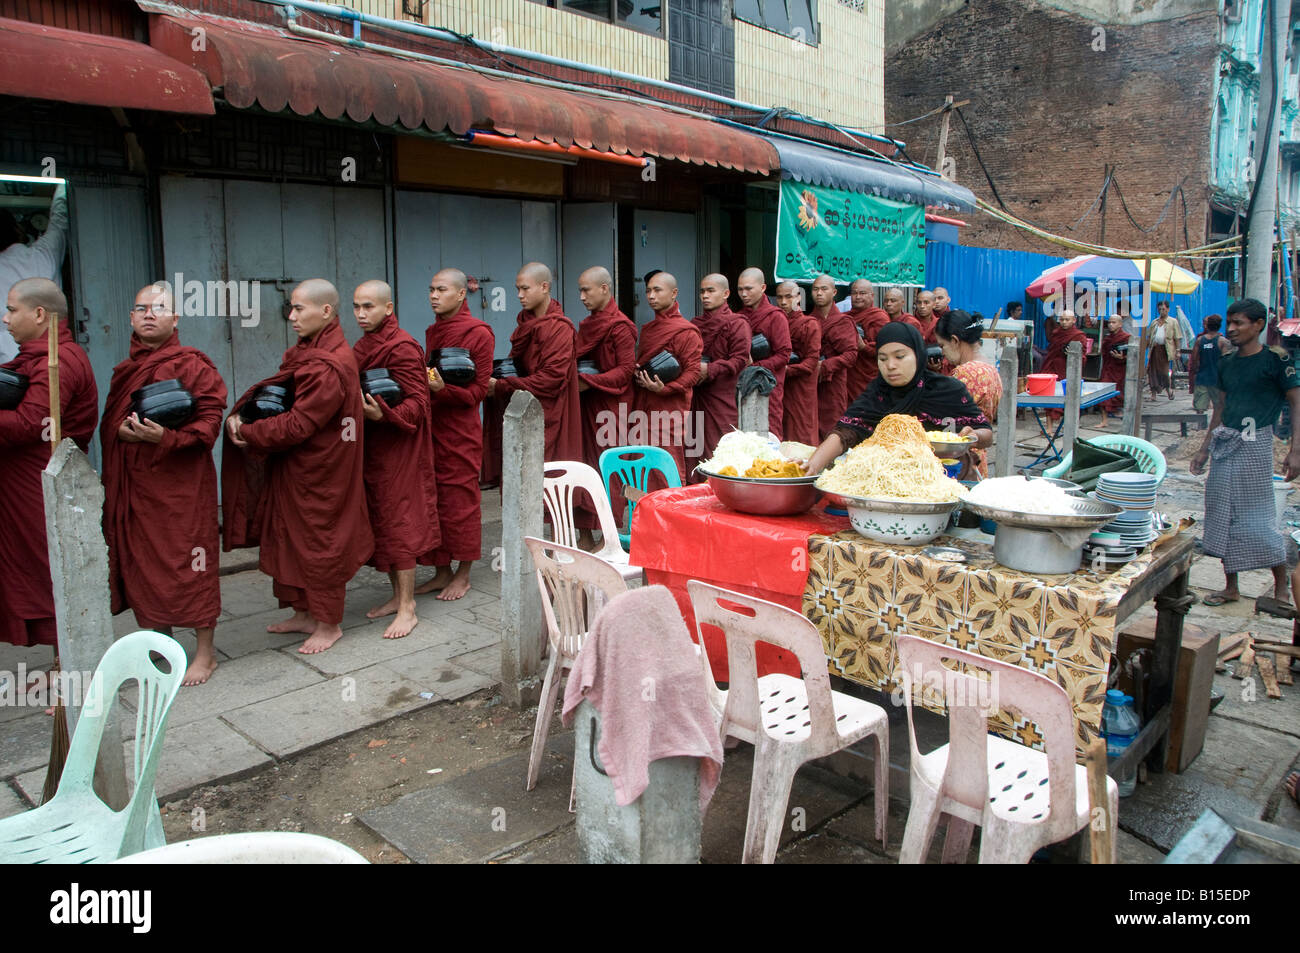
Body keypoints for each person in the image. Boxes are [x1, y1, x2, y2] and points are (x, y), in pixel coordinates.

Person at [222, 279, 373, 655]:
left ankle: (328, 623)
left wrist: (251, 432)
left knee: (320, 542)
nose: (291, 317)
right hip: (296, 467)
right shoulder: (310, 351)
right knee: (288, 536)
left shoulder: (328, 365)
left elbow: (299, 424)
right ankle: (304, 612)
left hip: (321, 472)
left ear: (325, 312)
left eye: (299, 309)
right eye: (290, 308)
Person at [100, 281, 226, 685]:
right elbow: (108, 428)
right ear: (131, 318)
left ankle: (205, 653)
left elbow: (209, 425)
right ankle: (160, 644)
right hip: (139, 487)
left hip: (182, 488)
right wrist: (121, 433)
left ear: (175, 318)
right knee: (146, 566)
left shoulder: (193, 365)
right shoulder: (126, 370)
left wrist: (165, 438)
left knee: (192, 563)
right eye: (141, 308)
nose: (148, 314)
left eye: (158, 308)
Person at [0, 277, 99, 648]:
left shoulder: (61, 361)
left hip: (45, 483)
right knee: (34, 572)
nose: (6, 319)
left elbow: (31, 424)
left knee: (52, 572)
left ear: (40, 313)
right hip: (24, 483)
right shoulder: (36, 358)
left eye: (12, 310)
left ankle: (71, 668)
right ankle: (60, 666)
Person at [1191, 298, 1300, 610]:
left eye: (1239, 323)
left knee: (1258, 519)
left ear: (1259, 325)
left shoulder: (1276, 361)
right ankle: (1231, 587)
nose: (1232, 328)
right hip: (1226, 444)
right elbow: (1220, 408)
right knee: (1224, 515)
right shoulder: (1227, 362)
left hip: (1257, 446)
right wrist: (1204, 449)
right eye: (1230, 322)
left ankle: (1281, 589)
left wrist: (1296, 450)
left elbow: (1296, 401)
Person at [353, 280, 439, 639]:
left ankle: (408, 606)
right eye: (356, 307)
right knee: (384, 520)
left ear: (388, 308)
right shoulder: (363, 346)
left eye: (369, 307)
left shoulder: (402, 347)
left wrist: (383, 415)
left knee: (400, 521)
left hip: (400, 448)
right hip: (374, 448)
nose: (360, 314)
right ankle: (395, 596)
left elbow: (418, 403)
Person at [802, 321, 992, 475]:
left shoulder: (948, 390)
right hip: (891, 481)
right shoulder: (877, 394)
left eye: (899, 357)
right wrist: (813, 465)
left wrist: (974, 436)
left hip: (946, 479)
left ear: (918, 355)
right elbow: (844, 434)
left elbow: (986, 433)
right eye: (883, 359)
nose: (890, 366)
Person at [419, 268, 494, 601]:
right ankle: (441, 571)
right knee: (434, 499)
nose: (434, 295)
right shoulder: (433, 331)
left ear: (462, 294)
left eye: (442, 289)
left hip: (460, 429)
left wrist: (443, 389)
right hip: (432, 427)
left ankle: (463, 574)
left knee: (460, 501)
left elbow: (478, 391)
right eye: (432, 289)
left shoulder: (479, 333)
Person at [490, 262, 582, 465]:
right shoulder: (526, 324)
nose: (520, 295)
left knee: (545, 474)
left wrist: (503, 386)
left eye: (525, 288)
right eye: (517, 289)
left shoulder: (560, 328)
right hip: (524, 410)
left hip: (550, 410)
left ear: (544, 287)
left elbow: (552, 378)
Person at [574, 266, 636, 546]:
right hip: (586, 406)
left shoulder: (620, 326)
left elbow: (625, 371)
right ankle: (584, 534)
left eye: (587, 290)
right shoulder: (588, 325)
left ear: (604, 289)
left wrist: (589, 381)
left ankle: (610, 535)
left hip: (611, 408)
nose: (582, 297)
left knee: (608, 469)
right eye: (580, 291)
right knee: (583, 466)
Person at [632, 272, 703, 480]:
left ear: (674, 293)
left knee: (667, 457)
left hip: (670, 405)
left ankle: (670, 506)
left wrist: (664, 389)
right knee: (643, 456)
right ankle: (646, 507)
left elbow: (693, 373)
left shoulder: (687, 331)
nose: (651, 296)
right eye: (648, 291)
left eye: (657, 290)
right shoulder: (648, 329)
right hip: (645, 402)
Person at [688, 273, 749, 475]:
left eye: (710, 291)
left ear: (725, 294)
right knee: (694, 445)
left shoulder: (738, 323)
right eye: (702, 291)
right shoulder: (695, 324)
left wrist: (711, 369)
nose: (705, 295)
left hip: (722, 396)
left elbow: (741, 359)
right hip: (698, 394)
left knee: (721, 445)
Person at [0, 184, 68, 365]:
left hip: (6, 369)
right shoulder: (43, 255)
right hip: (50, 358)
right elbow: (60, 219)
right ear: (17, 230)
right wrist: (64, 183)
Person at [936, 309, 1001, 477]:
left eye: (943, 345)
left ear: (955, 341)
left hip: (962, 458)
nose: (942, 353)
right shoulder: (990, 367)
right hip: (979, 451)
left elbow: (945, 415)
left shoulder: (966, 373)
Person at [736, 267, 792, 437]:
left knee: (768, 432)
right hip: (744, 384)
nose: (744, 294)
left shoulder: (776, 316)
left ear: (762, 288)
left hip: (768, 385)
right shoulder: (738, 317)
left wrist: (755, 366)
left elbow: (784, 355)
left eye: (749, 289)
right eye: (740, 289)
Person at [810, 275, 858, 439]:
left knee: (832, 425)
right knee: (811, 424)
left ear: (834, 292)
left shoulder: (843, 321)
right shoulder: (808, 320)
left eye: (824, 289)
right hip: (810, 382)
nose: (819, 293)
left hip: (833, 383)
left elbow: (851, 355)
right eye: (815, 289)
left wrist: (826, 365)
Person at [775, 281, 821, 446]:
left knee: (802, 432)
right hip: (780, 387)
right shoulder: (776, 323)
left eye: (789, 297)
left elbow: (811, 362)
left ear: (799, 297)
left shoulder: (810, 324)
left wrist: (785, 369)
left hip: (802, 388)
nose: (784, 302)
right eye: (779, 297)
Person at [845, 278, 889, 400]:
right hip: (848, 376)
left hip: (868, 375)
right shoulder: (845, 318)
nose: (858, 297)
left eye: (862, 293)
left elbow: (885, 349)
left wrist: (864, 347)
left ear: (872, 296)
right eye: (854, 293)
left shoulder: (879, 317)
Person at [1188, 313, 1231, 414]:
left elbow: (1194, 361)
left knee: (1200, 408)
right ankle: (1215, 428)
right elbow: (1226, 363)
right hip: (1216, 380)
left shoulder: (1199, 340)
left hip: (1202, 378)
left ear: (1208, 325)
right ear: (1219, 326)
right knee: (1218, 408)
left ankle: (1200, 427)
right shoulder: (1223, 342)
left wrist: (1194, 374)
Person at [1142, 300, 1180, 401]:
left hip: (1165, 350)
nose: (1161, 311)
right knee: (1152, 372)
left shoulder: (1173, 322)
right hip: (1154, 349)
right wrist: (1144, 349)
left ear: (1168, 309)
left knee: (1164, 372)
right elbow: (1149, 337)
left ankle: (1168, 390)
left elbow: (1177, 337)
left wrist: (1178, 350)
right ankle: (1153, 395)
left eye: (1163, 309)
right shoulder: (1154, 322)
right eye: (1159, 309)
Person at [1097, 312, 1132, 422]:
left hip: (1119, 370)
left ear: (1120, 324)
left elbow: (1132, 356)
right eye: (1109, 322)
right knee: (1103, 392)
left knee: (1117, 391)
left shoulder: (1126, 338)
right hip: (1108, 368)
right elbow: (1104, 353)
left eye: (1113, 322)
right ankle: (1104, 420)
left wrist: (1122, 357)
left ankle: (1116, 412)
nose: (1111, 325)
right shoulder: (1107, 339)